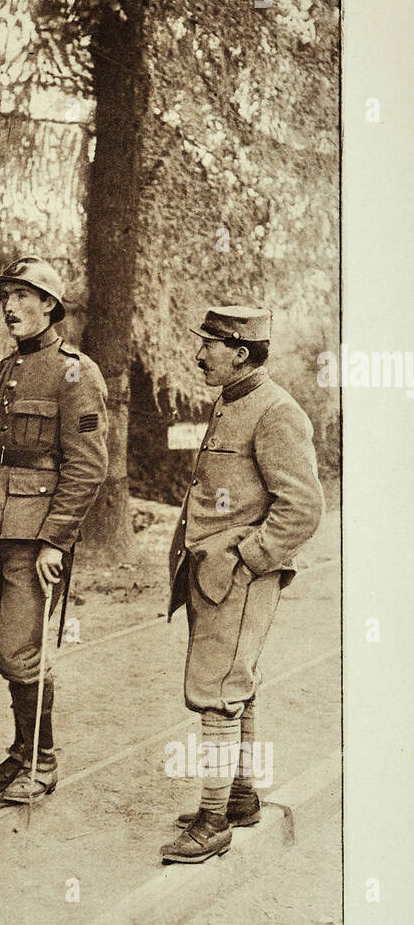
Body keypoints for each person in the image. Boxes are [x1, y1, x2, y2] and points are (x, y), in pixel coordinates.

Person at [161, 306, 325, 864]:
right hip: (213, 572)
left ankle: (211, 823)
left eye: (210, 343)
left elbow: (302, 507)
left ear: (240, 351)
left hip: (238, 575)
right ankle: (239, 796)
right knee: (238, 685)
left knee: (217, 695)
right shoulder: (232, 401)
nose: (200, 352)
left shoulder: (276, 411)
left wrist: (247, 558)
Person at [0, 257, 108, 804]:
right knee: (7, 647)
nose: (10, 306)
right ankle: (22, 751)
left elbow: (87, 465)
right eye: (5, 296)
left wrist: (55, 540)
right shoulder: (2, 373)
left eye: (23, 295)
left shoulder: (76, 372)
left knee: (19, 652)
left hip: (35, 538)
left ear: (49, 304)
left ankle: (43, 761)